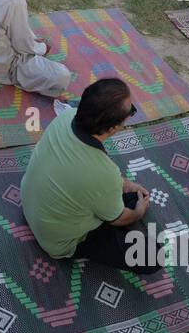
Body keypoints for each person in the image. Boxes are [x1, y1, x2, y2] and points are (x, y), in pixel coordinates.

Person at [19, 78, 160, 273]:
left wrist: (124, 184)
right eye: (130, 112)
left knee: (124, 195)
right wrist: (138, 212)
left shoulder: (65, 116)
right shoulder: (104, 172)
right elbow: (118, 219)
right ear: (113, 127)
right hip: (58, 241)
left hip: (30, 203)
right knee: (152, 256)